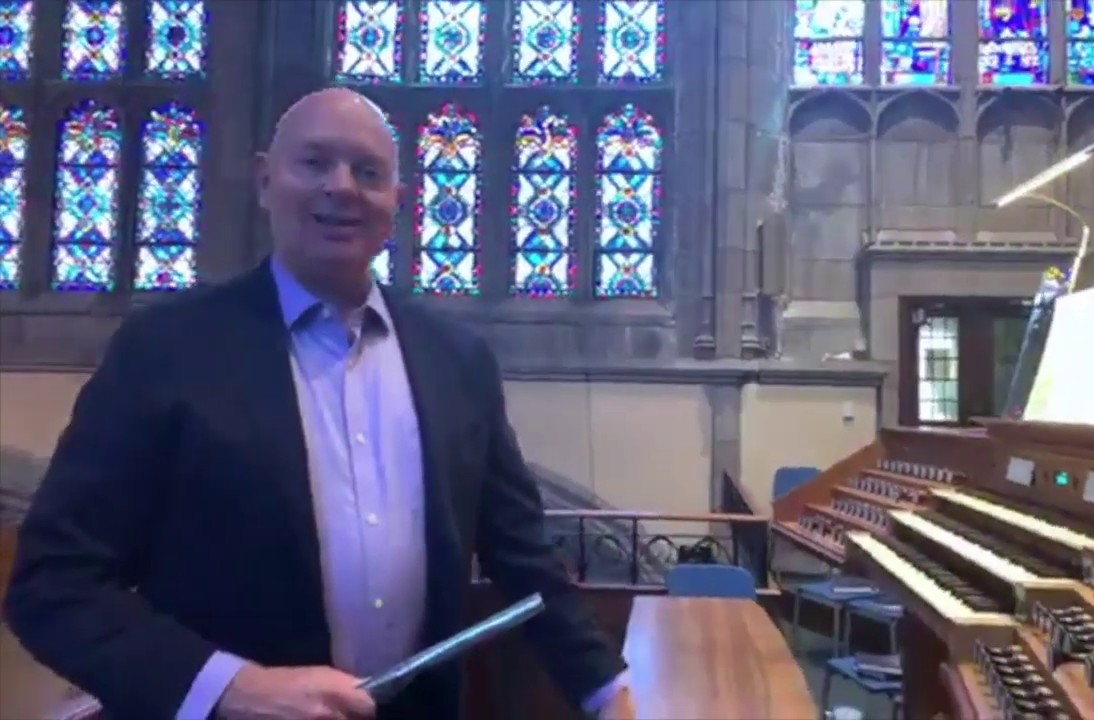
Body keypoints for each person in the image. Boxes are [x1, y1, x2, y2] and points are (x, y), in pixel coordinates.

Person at [3, 88, 636, 720]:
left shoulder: (458, 361)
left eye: (368, 172)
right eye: (314, 163)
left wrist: (611, 692)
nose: (342, 187)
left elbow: (525, 557)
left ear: (398, 203)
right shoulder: (166, 350)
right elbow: (54, 585)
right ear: (264, 180)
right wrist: (229, 688)